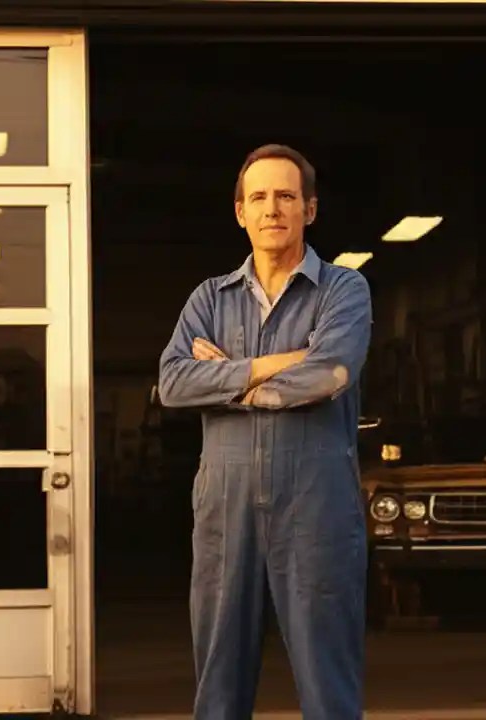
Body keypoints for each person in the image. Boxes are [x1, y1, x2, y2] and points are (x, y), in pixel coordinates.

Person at [157, 143, 372, 720]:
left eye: (285, 196)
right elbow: (173, 383)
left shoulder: (343, 289)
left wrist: (225, 381)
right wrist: (274, 364)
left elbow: (330, 373)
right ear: (240, 212)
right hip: (225, 513)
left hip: (316, 509)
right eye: (258, 197)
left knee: (329, 689)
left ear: (309, 209)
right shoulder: (209, 298)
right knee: (219, 691)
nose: (272, 208)